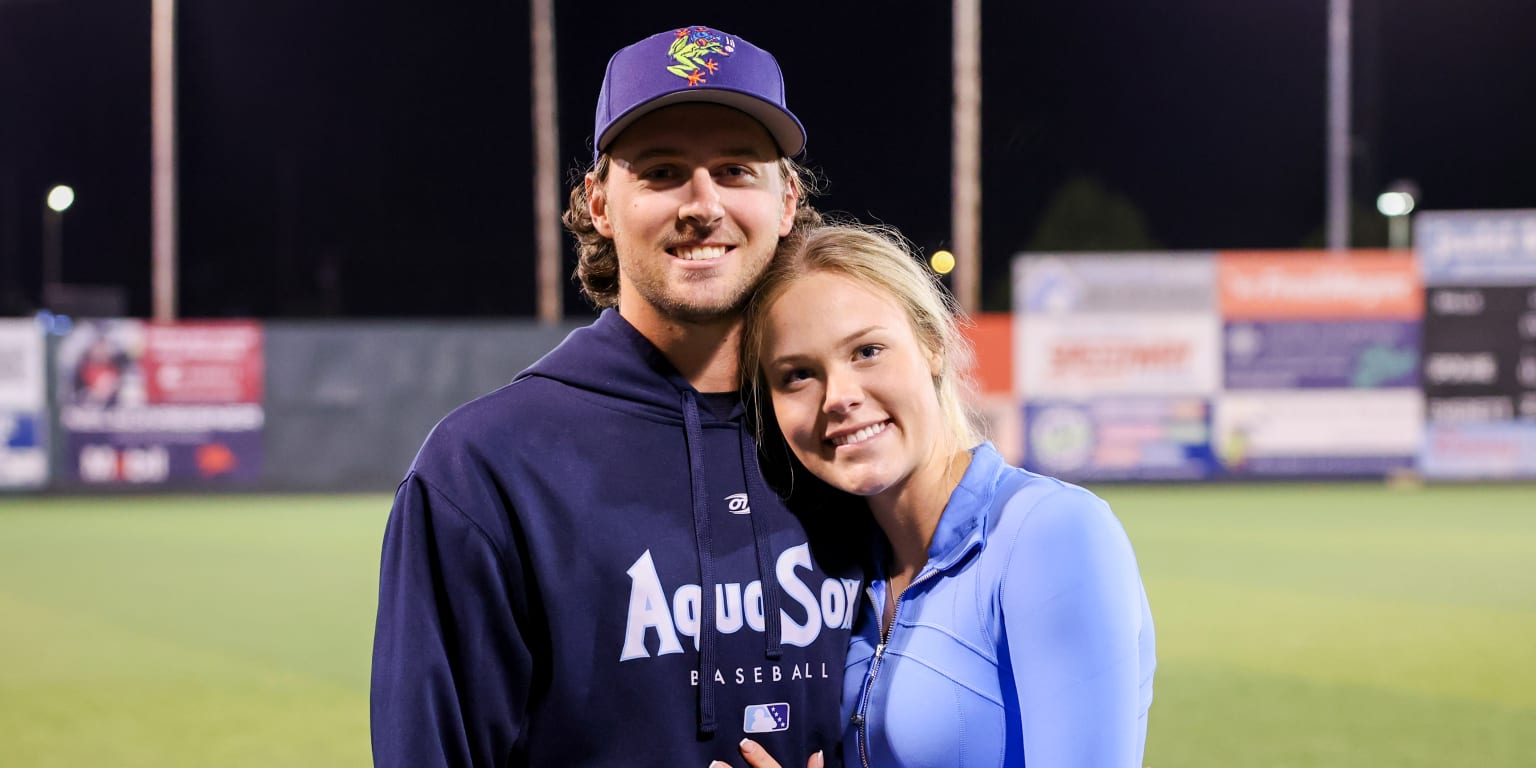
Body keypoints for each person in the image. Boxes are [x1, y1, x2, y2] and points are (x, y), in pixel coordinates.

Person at [370, 26, 862, 768]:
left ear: (787, 199)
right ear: (599, 202)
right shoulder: (487, 468)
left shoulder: (854, 438)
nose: (703, 204)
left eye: (735, 170)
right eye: (663, 173)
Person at [724, 224, 1156, 768]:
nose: (839, 397)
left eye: (867, 350)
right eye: (798, 375)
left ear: (931, 344)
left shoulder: (1050, 531)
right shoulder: (844, 572)